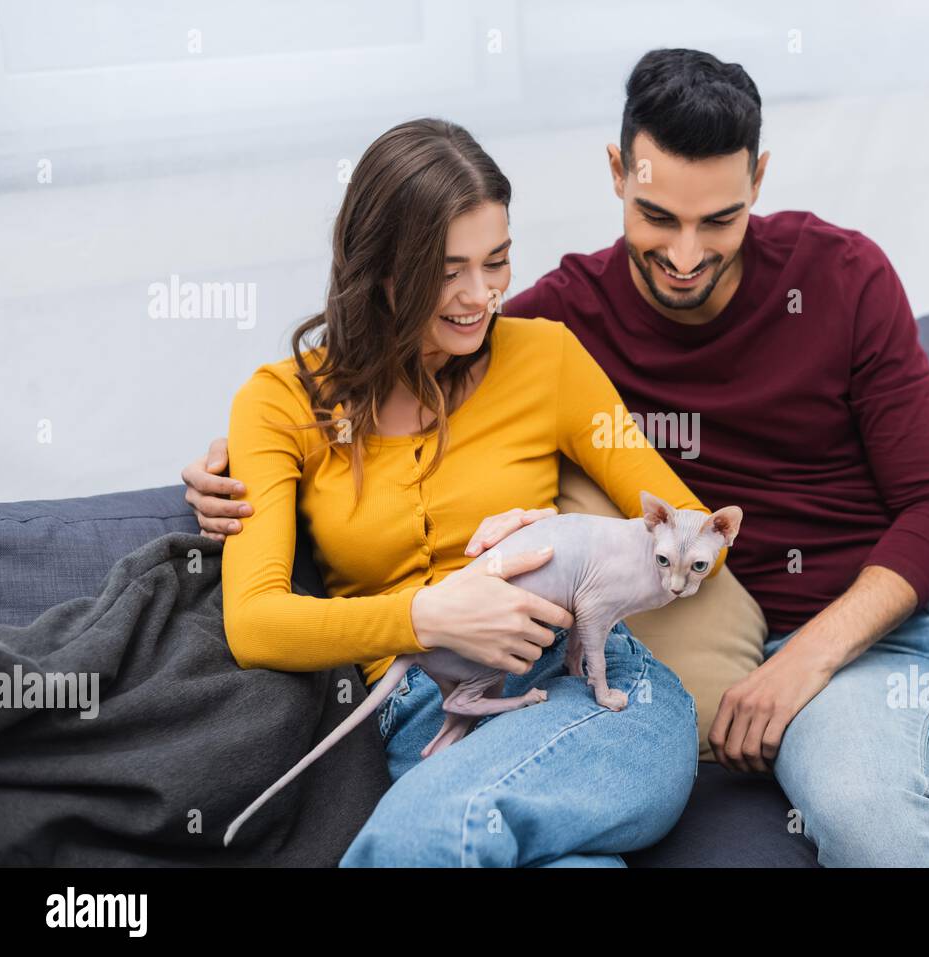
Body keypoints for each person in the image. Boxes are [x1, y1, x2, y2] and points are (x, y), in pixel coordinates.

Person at [189, 50, 929, 866]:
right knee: (868, 824)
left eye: (717, 221)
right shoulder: (546, 322)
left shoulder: (833, 275)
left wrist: (795, 653)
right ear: (616, 171)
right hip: (832, 668)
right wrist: (252, 451)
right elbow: (411, 357)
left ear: (758, 179)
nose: (682, 255)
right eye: (655, 214)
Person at [215, 116, 720, 867]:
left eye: (497, 261)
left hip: (599, 693)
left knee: (424, 836)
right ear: (379, 266)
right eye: (447, 270)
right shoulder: (280, 403)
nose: (479, 296)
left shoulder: (546, 357)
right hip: (432, 718)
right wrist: (424, 613)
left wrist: (562, 526)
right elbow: (255, 624)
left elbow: (685, 523)